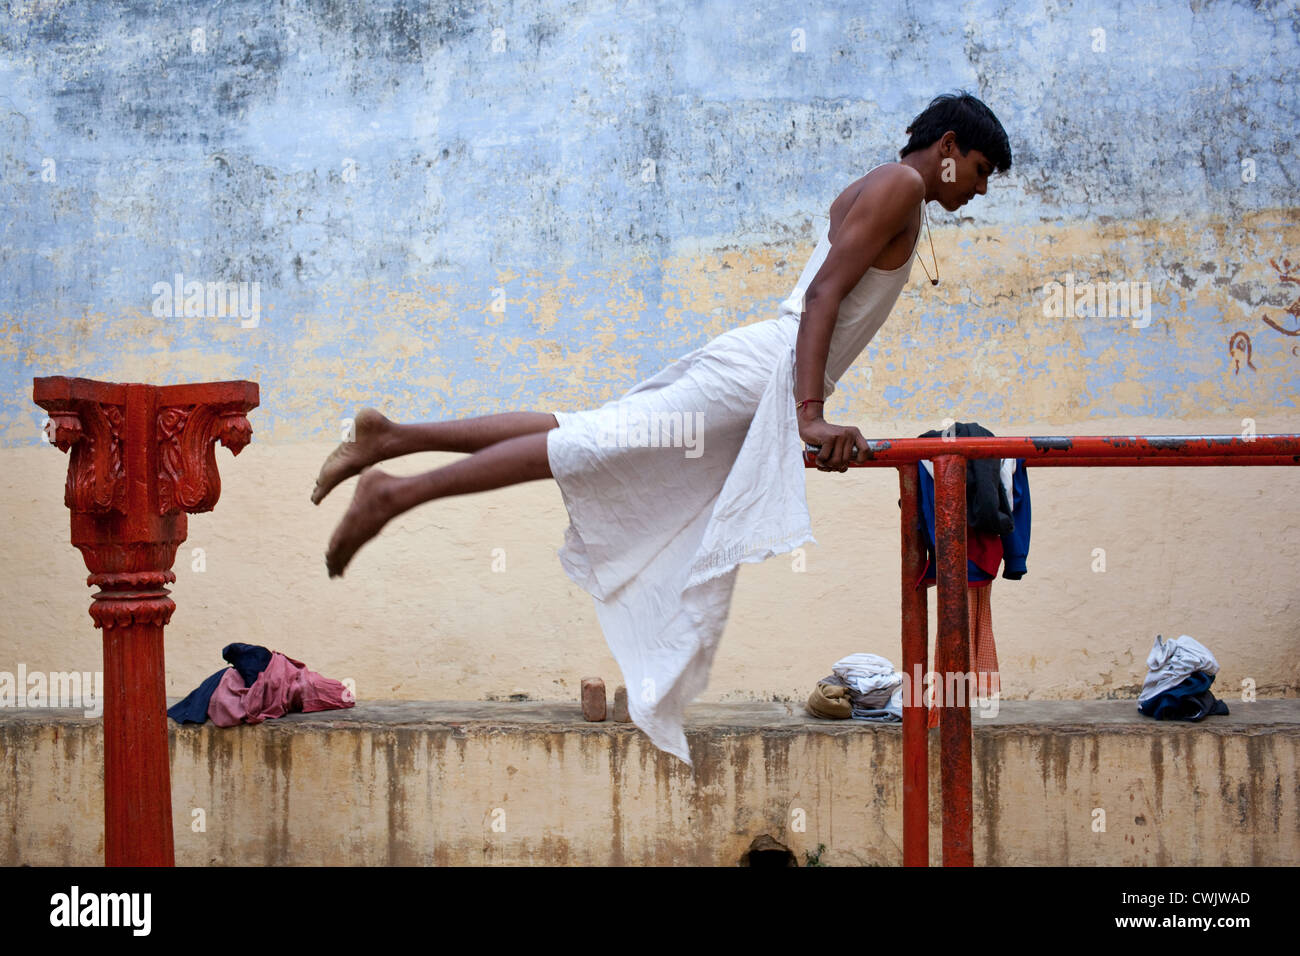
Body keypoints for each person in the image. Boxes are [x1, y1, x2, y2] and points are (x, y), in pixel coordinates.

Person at [313, 90, 1012, 765]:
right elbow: (825, 294)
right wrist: (807, 415)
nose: (979, 191)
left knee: (587, 431)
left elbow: (829, 291)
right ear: (947, 147)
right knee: (588, 445)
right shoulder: (898, 186)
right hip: (764, 377)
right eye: (980, 171)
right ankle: (394, 492)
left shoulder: (880, 186)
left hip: (766, 371)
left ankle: (392, 439)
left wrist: (802, 408)